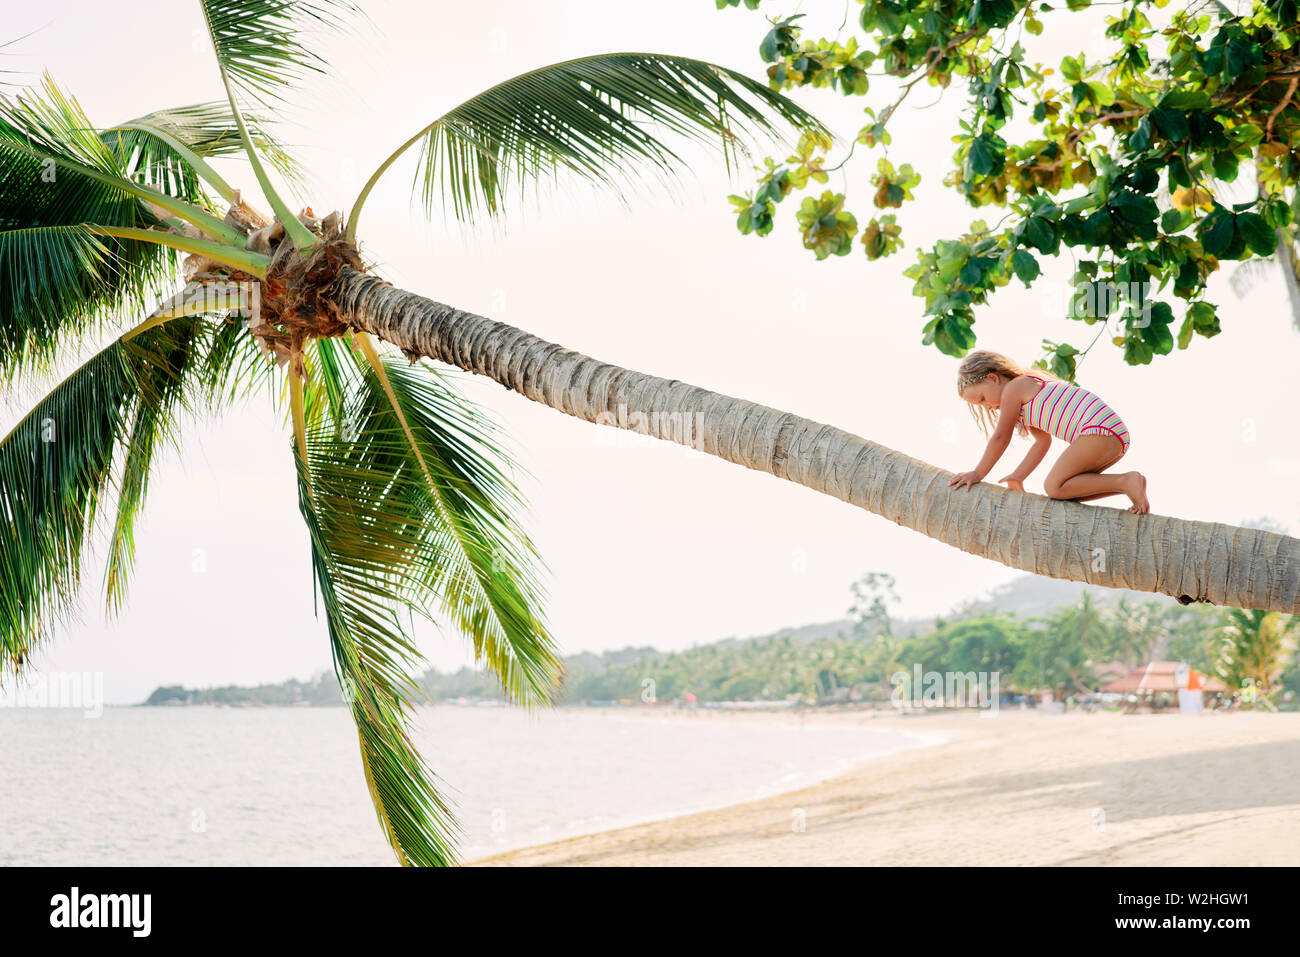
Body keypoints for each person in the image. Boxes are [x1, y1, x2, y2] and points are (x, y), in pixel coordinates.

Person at [948, 349, 1149, 514]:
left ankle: (1126, 481)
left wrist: (977, 473)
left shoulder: (1015, 388)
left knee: (1053, 486)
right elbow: (1042, 443)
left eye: (982, 398)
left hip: (1098, 429)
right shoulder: (1025, 401)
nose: (987, 407)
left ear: (993, 378)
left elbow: (1001, 438)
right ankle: (1126, 484)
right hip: (1110, 434)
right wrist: (1018, 476)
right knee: (1064, 491)